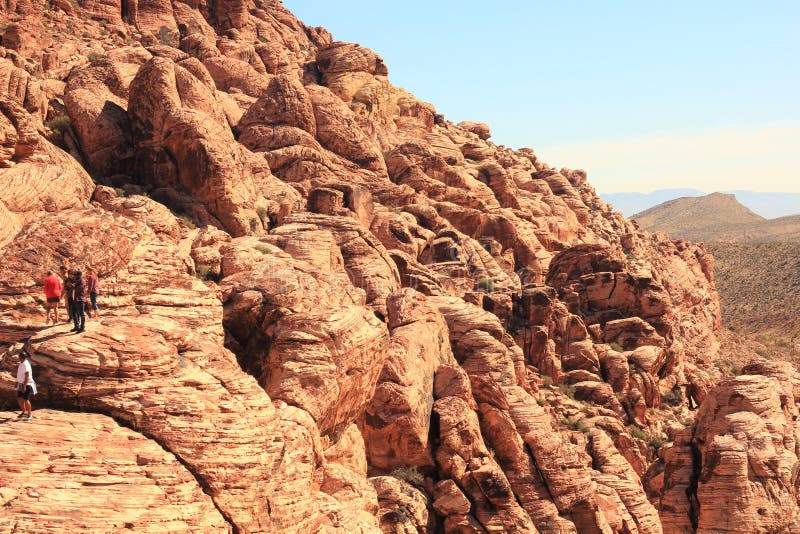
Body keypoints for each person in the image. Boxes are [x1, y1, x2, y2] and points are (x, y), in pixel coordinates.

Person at [16, 348, 36, 420]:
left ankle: (30, 415)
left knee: (26, 399)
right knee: (19, 398)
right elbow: (20, 374)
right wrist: (17, 382)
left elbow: (27, 376)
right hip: (21, 383)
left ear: (22, 358)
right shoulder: (21, 363)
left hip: (27, 384)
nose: (19, 358)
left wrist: (24, 386)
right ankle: (24, 412)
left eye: (20, 357)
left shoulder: (25, 364)